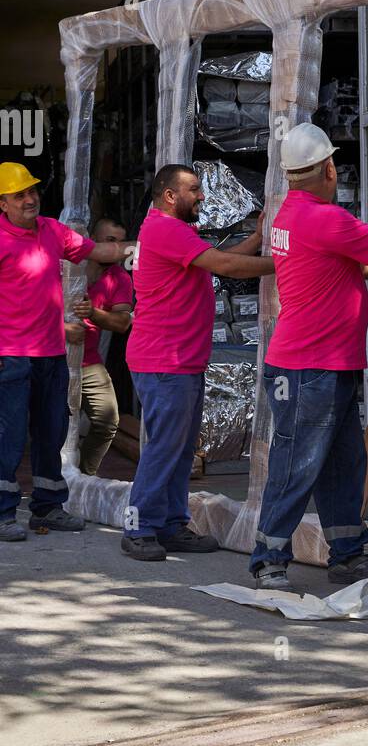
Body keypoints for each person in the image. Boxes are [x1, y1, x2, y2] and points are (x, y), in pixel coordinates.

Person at [250, 123, 368, 590]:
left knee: (341, 462)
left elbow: (354, 267)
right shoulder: (327, 220)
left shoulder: (290, 216)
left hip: (320, 363)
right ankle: (268, 557)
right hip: (311, 365)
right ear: (329, 169)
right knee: (298, 462)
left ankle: (348, 552)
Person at [121, 164, 274, 562]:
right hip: (163, 361)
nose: (202, 196)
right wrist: (287, 264)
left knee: (180, 449)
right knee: (165, 448)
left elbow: (216, 258)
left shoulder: (176, 232)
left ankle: (171, 524)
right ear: (170, 195)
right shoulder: (164, 229)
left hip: (179, 361)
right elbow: (225, 267)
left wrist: (257, 239)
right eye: (194, 190)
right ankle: (139, 527)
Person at [0, 163, 131, 542]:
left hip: (50, 353)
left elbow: (98, 249)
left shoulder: (52, 231)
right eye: (19, 195)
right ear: (3, 204)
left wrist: (139, 246)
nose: (29, 199)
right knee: (8, 437)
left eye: (32, 191)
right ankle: (4, 513)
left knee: (50, 431)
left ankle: (48, 507)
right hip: (10, 354)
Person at [69, 217, 133, 475]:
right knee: (49, 424)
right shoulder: (66, 267)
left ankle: (84, 476)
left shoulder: (119, 278)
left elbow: (121, 323)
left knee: (107, 422)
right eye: (110, 242)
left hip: (88, 359)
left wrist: (92, 313)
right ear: (92, 242)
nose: (118, 249)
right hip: (49, 352)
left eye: (121, 243)